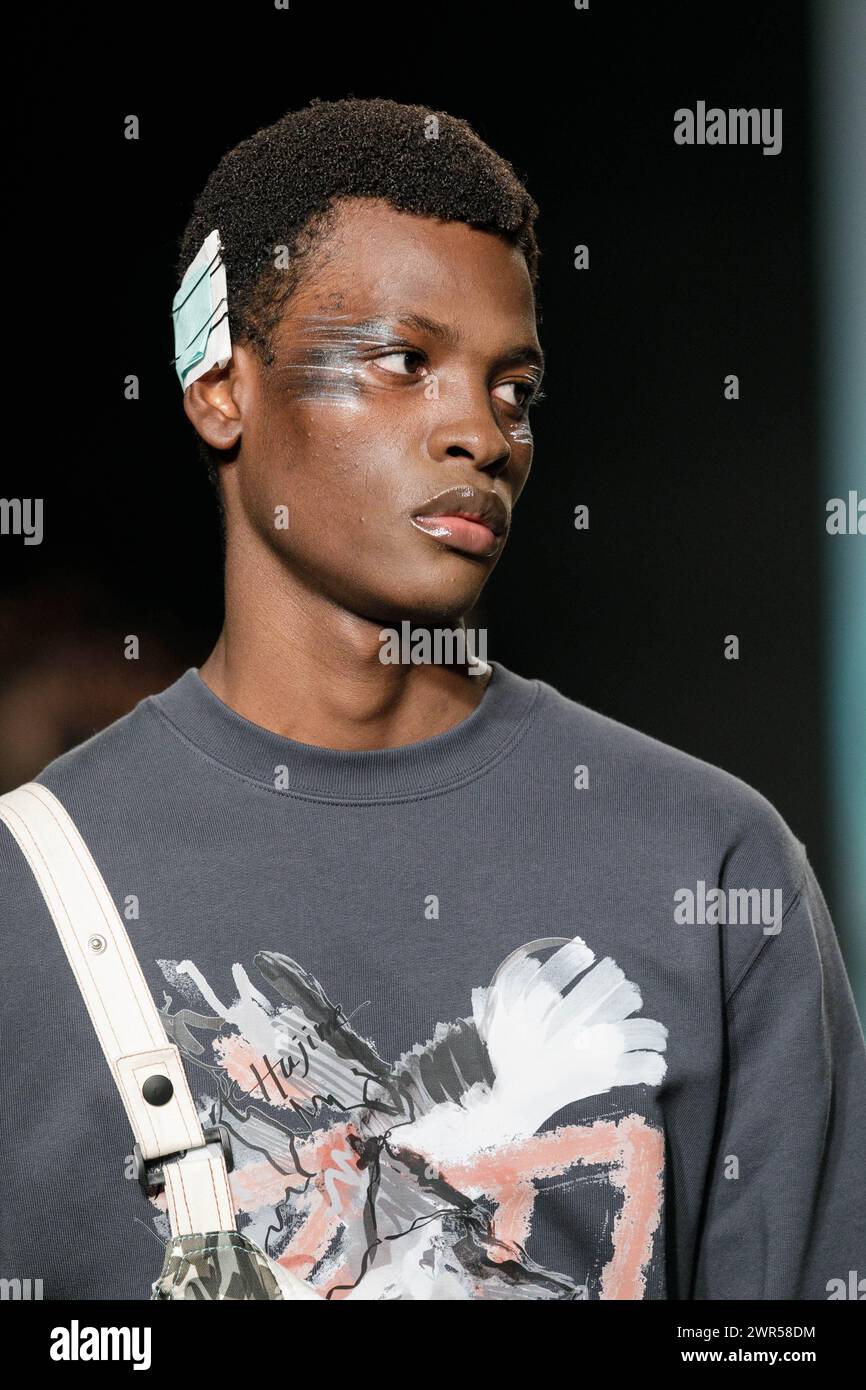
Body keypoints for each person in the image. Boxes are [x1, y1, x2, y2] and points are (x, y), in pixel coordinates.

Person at [1, 97, 864, 1302]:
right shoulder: (28, 896)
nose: (480, 432)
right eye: (402, 362)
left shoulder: (709, 860)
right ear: (219, 386)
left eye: (512, 389)